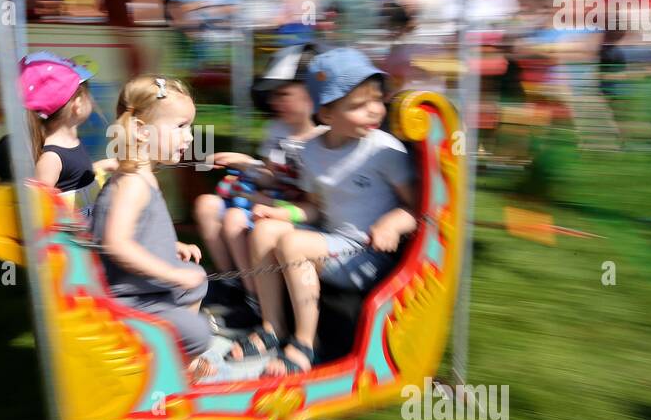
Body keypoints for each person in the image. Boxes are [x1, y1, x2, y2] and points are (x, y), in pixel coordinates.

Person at [90, 75, 279, 382]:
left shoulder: (141, 175)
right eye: (180, 127)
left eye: (189, 127)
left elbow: (141, 228)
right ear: (140, 130)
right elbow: (116, 243)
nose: (190, 138)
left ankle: (180, 355)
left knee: (198, 279)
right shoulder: (133, 184)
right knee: (197, 329)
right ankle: (171, 362)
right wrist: (173, 273)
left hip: (144, 288)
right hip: (129, 300)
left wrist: (172, 246)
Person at [247, 49, 418, 373]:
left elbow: (416, 207)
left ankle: (304, 345)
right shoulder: (311, 151)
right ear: (326, 114)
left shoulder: (385, 150)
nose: (374, 111)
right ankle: (272, 328)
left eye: (377, 100)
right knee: (265, 232)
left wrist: (392, 224)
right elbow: (315, 208)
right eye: (358, 105)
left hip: (367, 254)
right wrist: (286, 215)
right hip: (334, 242)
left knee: (292, 244)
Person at [193, 56, 324, 315]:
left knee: (233, 218)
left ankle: (254, 299)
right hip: (270, 195)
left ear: (311, 95)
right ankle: (231, 281)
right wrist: (245, 164)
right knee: (206, 204)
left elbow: (311, 197)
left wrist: (260, 195)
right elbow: (270, 175)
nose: (277, 102)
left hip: (294, 207)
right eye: (274, 96)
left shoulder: (321, 139)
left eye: (285, 94)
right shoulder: (276, 128)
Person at [20, 52, 114, 218]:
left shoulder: (71, 143)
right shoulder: (51, 158)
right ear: (77, 104)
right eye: (88, 92)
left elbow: (73, 178)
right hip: (73, 241)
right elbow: (39, 212)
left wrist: (103, 165)